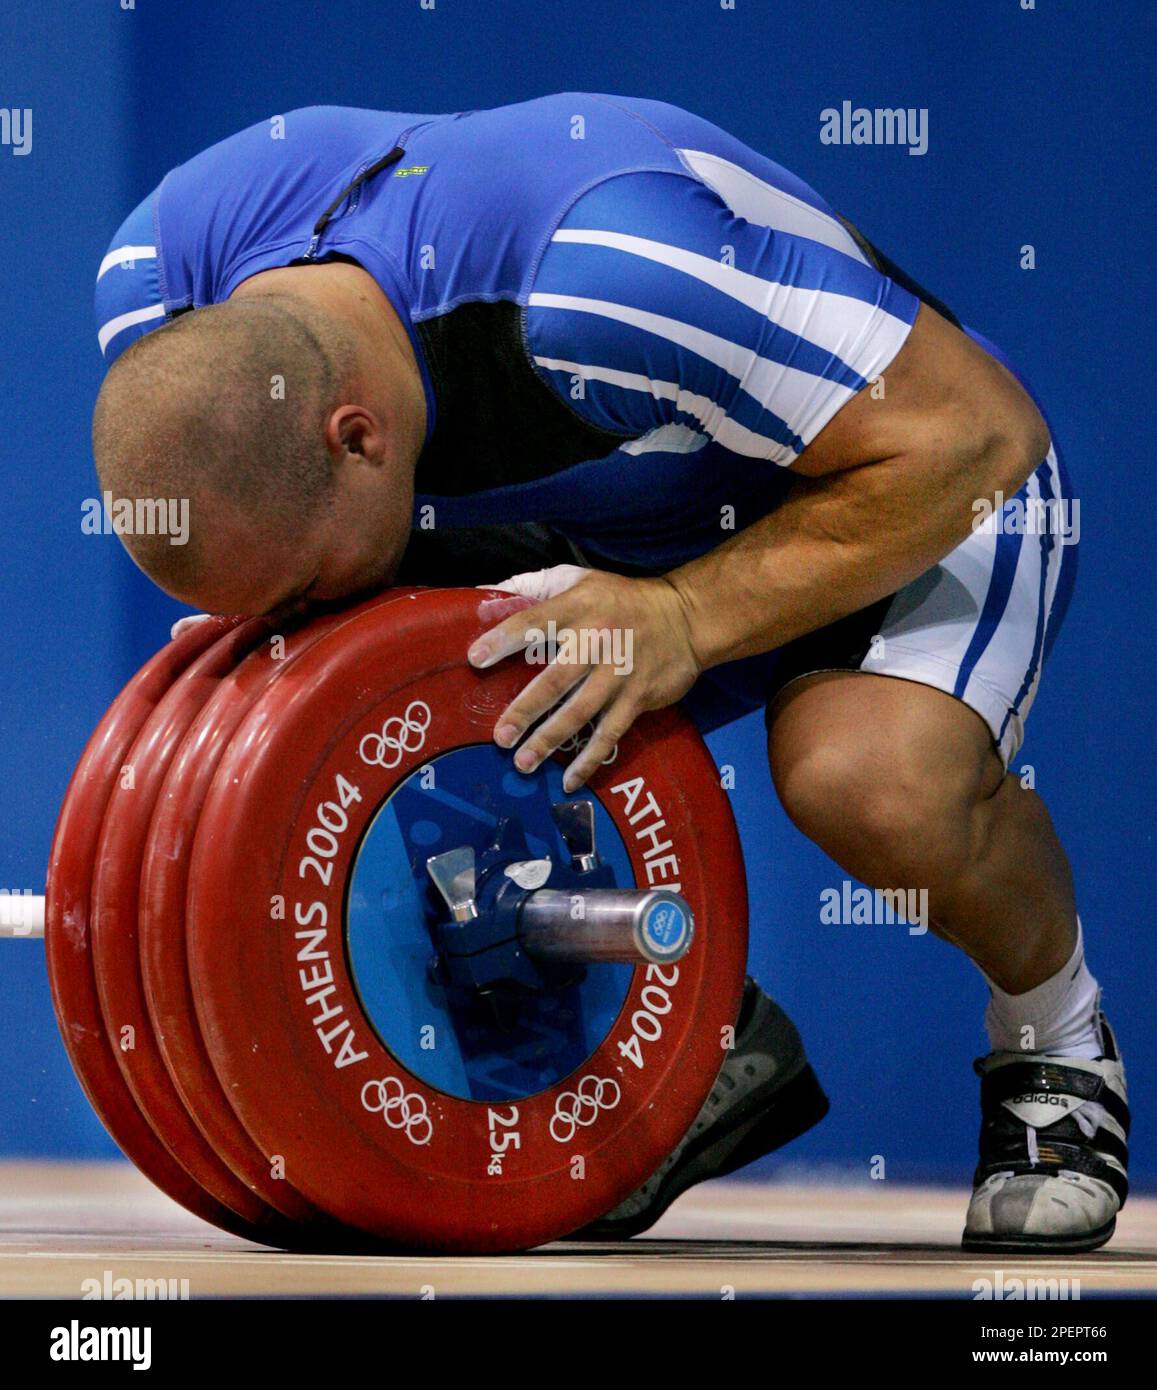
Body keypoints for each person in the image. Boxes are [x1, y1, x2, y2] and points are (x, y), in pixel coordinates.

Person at [92, 94, 1127, 1252]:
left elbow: (981, 437)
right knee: (338, 689)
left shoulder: (607, 281)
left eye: (292, 579)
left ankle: (1056, 1040)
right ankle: (697, 1047)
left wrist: (684, 615)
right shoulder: (157, 283)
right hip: (611, 522)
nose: (293, 611)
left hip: (905, 489)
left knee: (864, 783)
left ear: (355, 435)